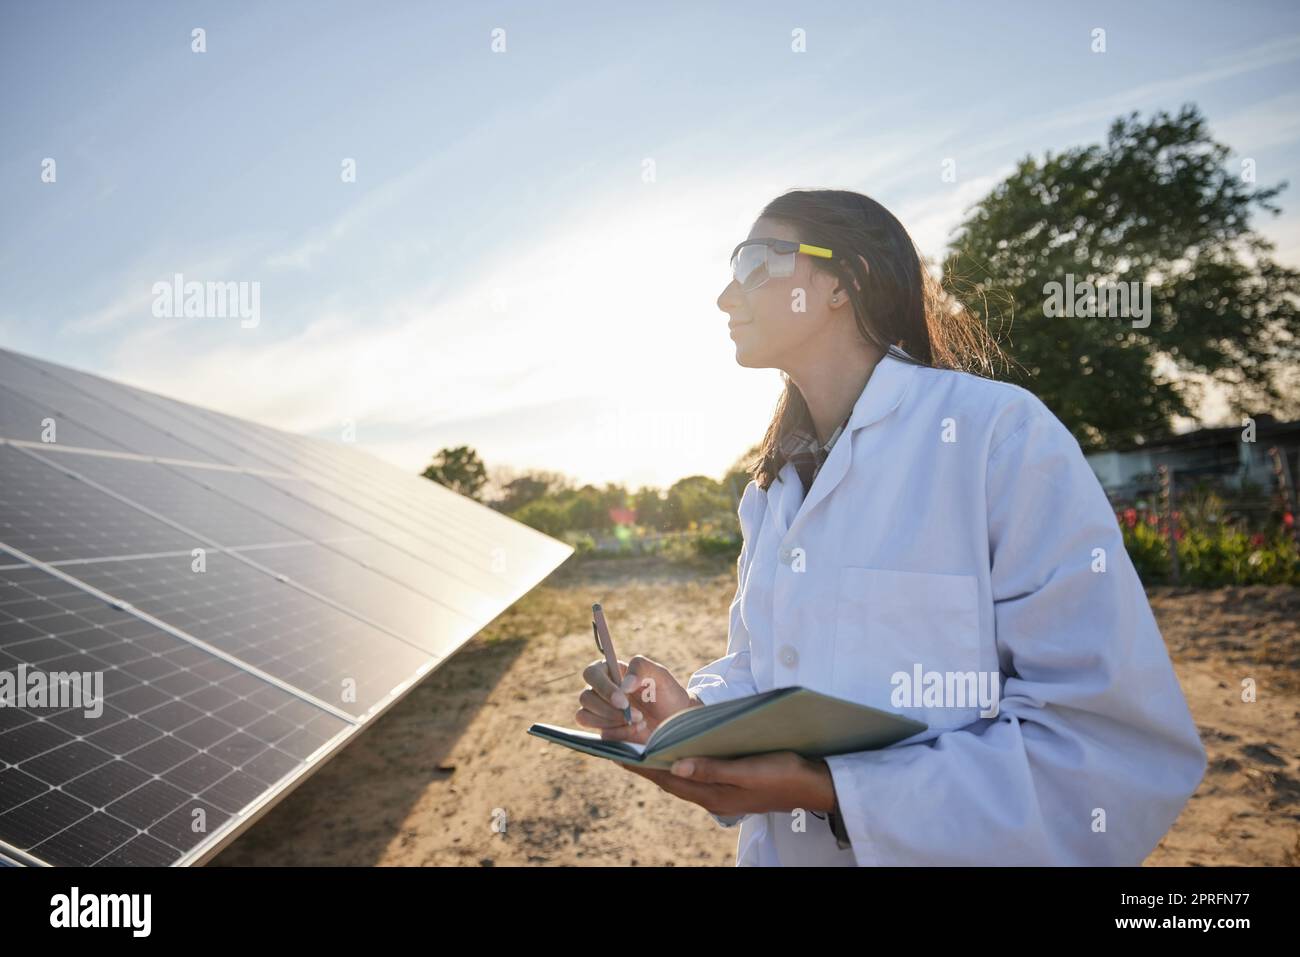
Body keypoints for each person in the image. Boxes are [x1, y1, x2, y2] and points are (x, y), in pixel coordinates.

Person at [575, 188, 1206, 865]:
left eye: (756, 262)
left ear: (847, 281)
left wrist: (840, 794)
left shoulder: (996, 436)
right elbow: (772, 669)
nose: (727, 296)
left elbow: (1106, 744)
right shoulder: (771, 487)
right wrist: (692, 709)